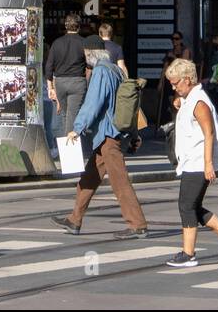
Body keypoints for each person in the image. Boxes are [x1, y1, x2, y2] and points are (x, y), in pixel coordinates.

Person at [51, 59, 149, 239]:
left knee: (120, 181)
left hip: (108, 136)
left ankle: (137, 224)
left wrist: (78, 127)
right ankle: (75, 219)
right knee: (90, 176)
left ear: (89, 55)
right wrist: (134, 134)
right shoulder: (117, 71)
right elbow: (129, 106)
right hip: (109, 135)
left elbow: (93, 103)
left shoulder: (101, 72)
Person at [164, 58, 218, 268]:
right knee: (193, 206)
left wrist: (208, 164)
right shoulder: (190, 97)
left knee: (186, 205)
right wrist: (179, 101)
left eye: (175, 83)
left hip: (199, 161)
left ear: (188, 79)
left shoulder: (199, 102)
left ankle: (189, 254)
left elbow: (208, 133)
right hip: (192, 159)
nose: (173, 87)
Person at [44, 13, 95, 142]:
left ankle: (65, 147)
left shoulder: (57, 43)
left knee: (64, 115)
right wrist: (86, 82)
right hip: (78, 81)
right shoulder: (84, 43)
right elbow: (90, 65)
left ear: (65, 26)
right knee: (73, 115)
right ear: (79, 26)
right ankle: (70, 151)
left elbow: (49, 66)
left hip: (60, 82)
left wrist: (50, 87)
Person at [156, 31, 190, 126]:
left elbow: (184, 65)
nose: (174, 41)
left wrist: (174, 57)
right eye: (173, 39)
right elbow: (165, 68)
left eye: (176, 39)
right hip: (170, 80)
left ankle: (181, 123)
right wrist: (160, 82)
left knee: (179, 103)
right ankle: (172, 123)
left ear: (180, 40)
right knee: (170, 102)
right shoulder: (170, 52)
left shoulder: (185, 50)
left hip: (181, 80)